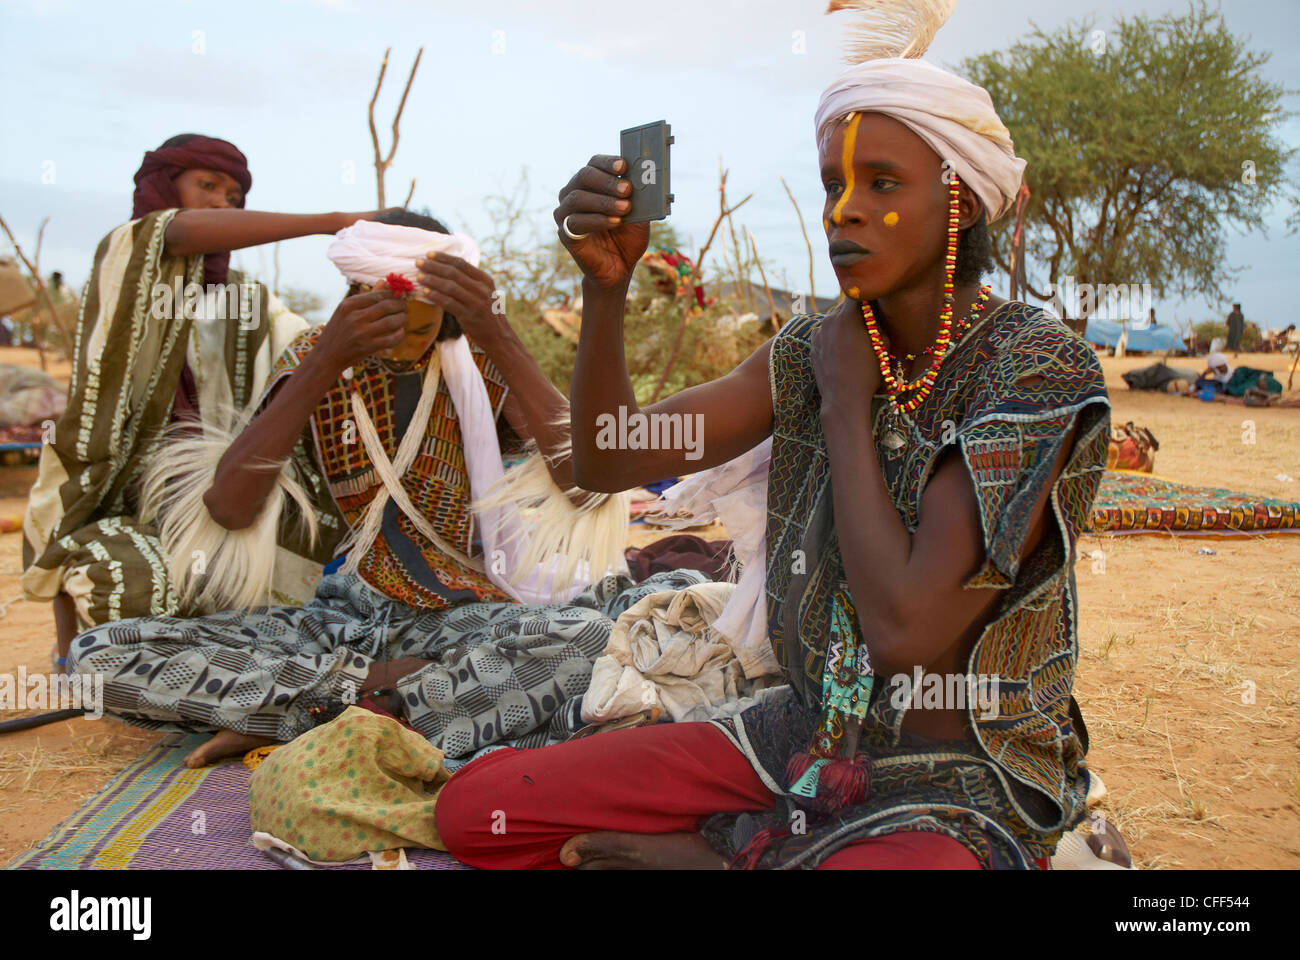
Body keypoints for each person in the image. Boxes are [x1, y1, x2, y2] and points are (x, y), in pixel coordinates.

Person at [433, 8, 1112, 870]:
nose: (845, 213)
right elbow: (605, 457)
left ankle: (725, 855)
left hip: (968, 771)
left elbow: (904, 632)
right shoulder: (808, 350)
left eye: (882, 185)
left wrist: (842, 402)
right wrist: (607, 288)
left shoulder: (1036, 370)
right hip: (808, 739)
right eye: (834, 186)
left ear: (962, 199)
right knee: (479, 811)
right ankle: (737, 845)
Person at [67, 209, 678, 768]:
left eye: (423, 316)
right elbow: (229, 508)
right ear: (356, 290)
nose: (405, 331)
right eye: (385, 305)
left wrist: (496, 332)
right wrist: (328, 357)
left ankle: (326, 711)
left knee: (591, 637)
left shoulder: (481, 362)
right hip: (344, 625)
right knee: (101, 656)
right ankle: (400, 701)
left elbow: (587, 483)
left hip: (470, 620)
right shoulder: (316, 357)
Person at [21, 133, 395, 670]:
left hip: (207, 490)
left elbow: (305, 350)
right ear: (162, 186)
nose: (222, 202)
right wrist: (336, 219)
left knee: (313, 551)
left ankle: (222, 666)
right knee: (132, 581)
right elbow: (181, 231)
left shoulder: (247, 296)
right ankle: (77, 659)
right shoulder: (127, 249)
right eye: (208, 185)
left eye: (234, 197)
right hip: (116, 484)